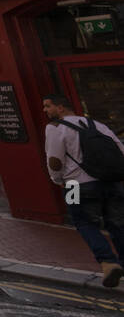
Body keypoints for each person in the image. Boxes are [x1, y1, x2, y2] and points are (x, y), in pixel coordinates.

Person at [43, 94, 124, 288]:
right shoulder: (97, 125)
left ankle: (108, 262)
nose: (45, 110)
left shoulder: (54, 128)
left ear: (60, 107)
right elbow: (120, 150)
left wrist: (57, 180)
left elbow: (55, 161)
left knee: (83, 222)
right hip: (110, 182)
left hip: (73, 184)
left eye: (48, 106)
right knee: (117, 223)